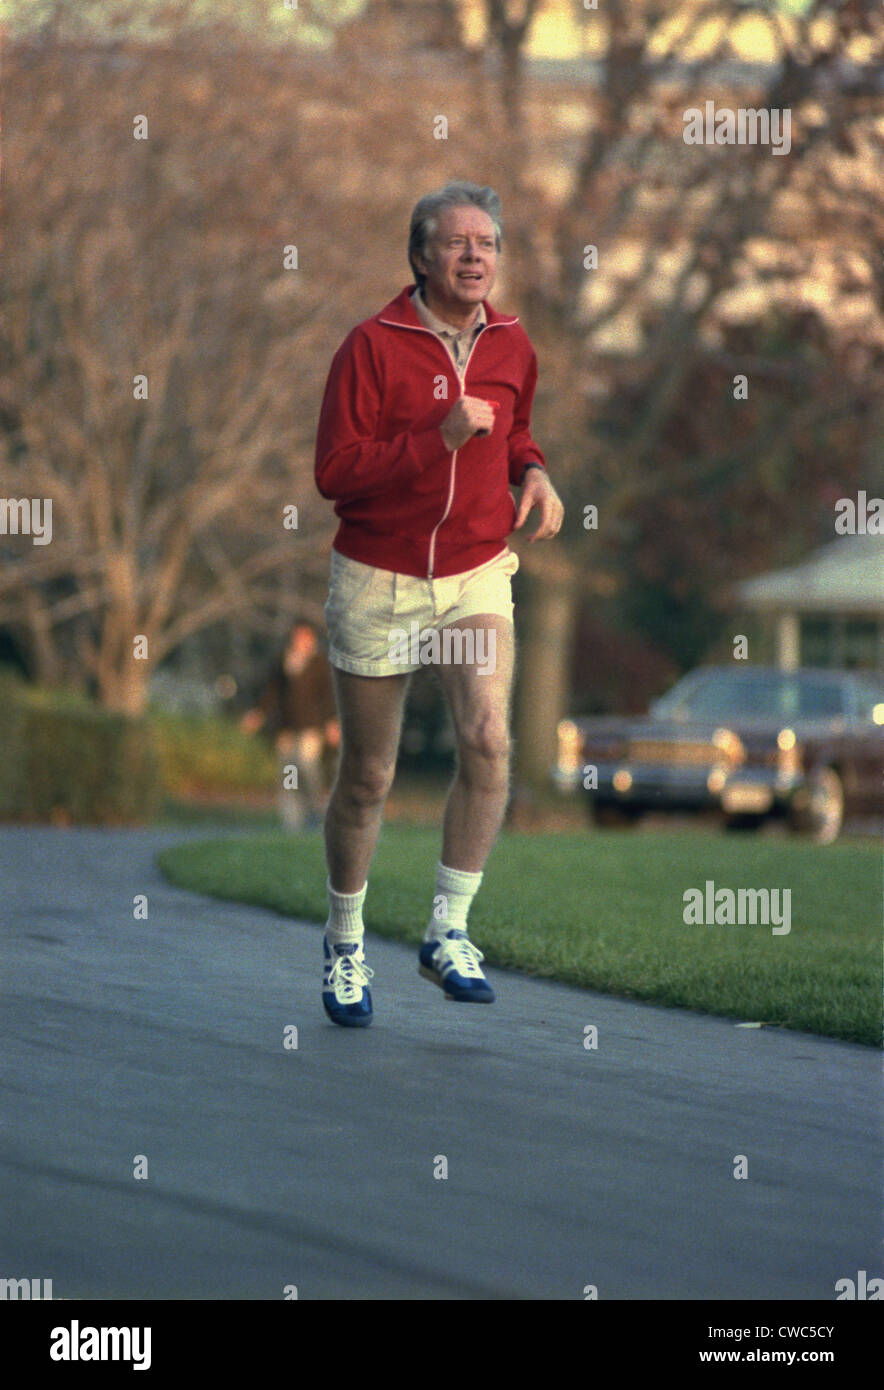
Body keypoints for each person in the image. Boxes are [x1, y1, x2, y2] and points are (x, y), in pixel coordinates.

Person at [314, 180, 564, 1026]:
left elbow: (516, 426)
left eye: (487, 244)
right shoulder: (372, 346)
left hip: (473, 572)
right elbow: (336, 474)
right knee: (368, 777)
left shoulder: (513, 342)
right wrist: (437, 439)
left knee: (488, 737)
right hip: (378, 577)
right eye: (457, 243)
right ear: (422, 257)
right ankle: (345, 943)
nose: (475, 257)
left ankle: (447, 929)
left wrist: (533, 471)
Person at [240, 622, 340, 831]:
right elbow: (273, 692)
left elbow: (328, 696)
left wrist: (331, 722)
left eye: (305, 637)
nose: (300, 641)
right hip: (286, 727)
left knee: (306, 767)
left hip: (311, 727)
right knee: (289, 773)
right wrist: (258, 714)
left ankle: (315, 810)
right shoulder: (283, 662)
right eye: (297, 637)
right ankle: (293, 821)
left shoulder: (320, 664)